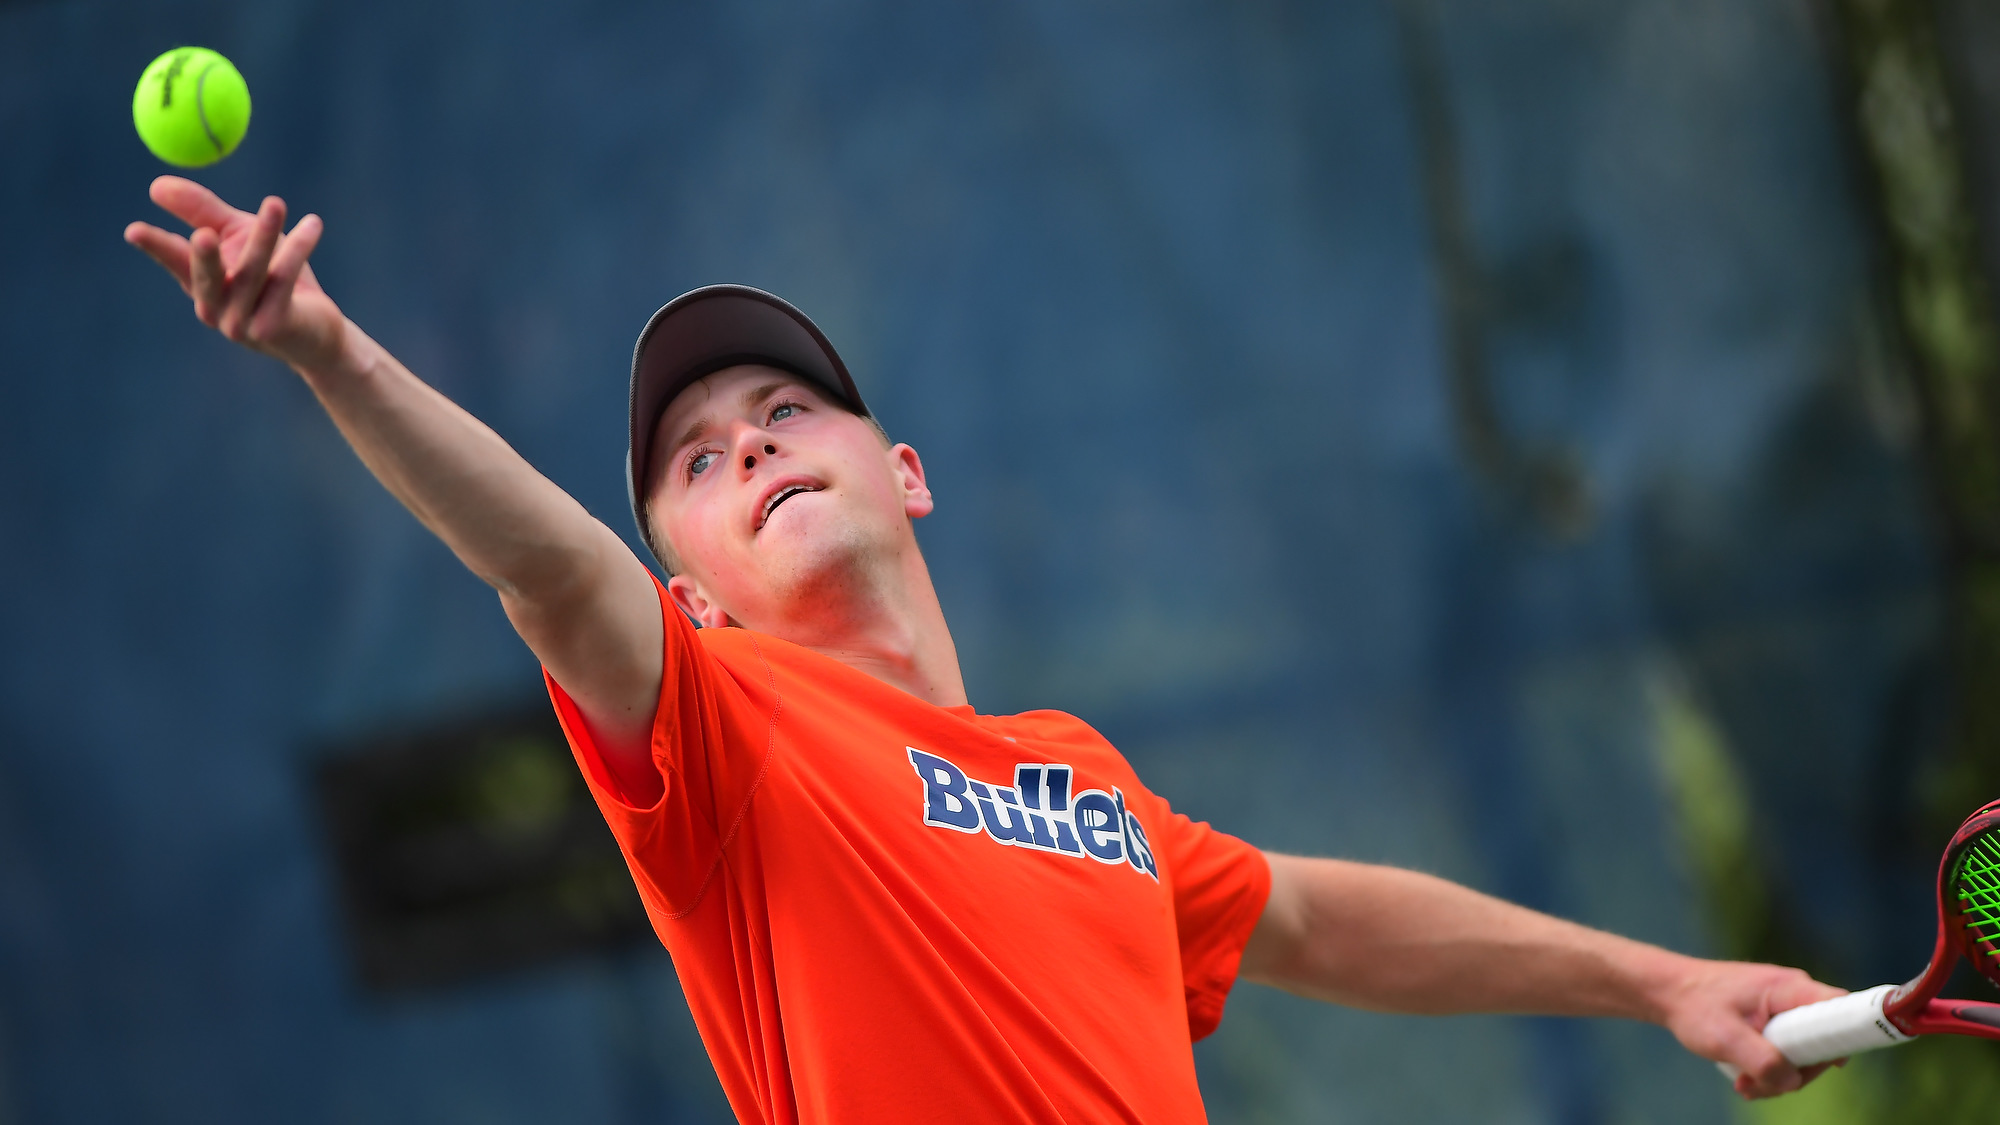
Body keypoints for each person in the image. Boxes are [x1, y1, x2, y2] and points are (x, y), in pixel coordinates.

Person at [126, 177, 1843, 1122]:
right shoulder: (720, 724)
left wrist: (1660, 976)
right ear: (694, 597)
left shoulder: (1077, 782)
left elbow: (1317, 913)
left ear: (907, 474)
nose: (752, 449)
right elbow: (541, 561)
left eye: (785, 410)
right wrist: (334, 359)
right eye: (697, 465)